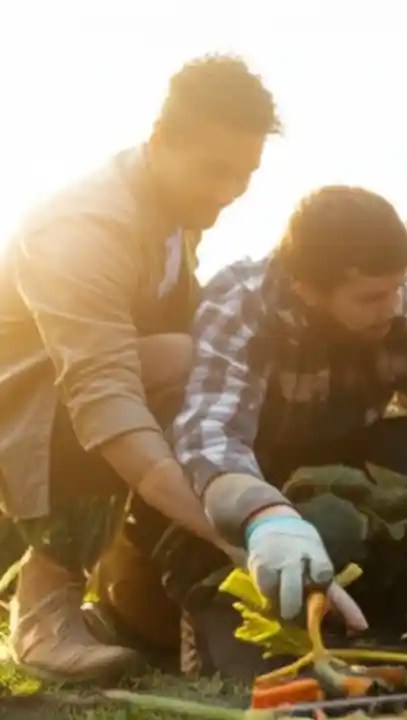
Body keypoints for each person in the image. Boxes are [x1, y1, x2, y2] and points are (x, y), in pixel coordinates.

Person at [161, 185, 407, 677]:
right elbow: (211, 437)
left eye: (399, 286)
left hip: (339, 470)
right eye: (372, 296)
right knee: (258, 646)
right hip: (242, 484)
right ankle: (205, 601)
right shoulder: (243, 304)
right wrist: (266, 517)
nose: (393, 306)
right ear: (306, 288)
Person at [0, 54, 279, 682]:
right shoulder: (83, 228)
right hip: (21, 415)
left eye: (245, 174)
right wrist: (235, 533)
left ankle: (136, 589)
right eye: (215, 170)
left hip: (78, 397)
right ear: (159, 140)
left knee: (214, 356)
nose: (230, 192)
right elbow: (104, 393)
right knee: (182, 361)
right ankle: (45, 604)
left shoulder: (176, 213)